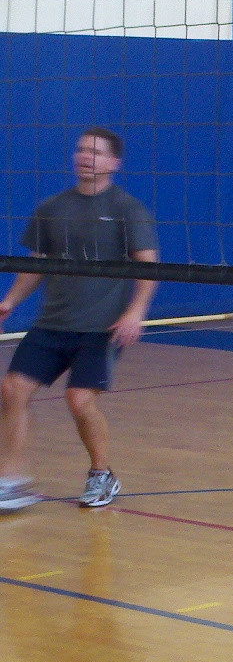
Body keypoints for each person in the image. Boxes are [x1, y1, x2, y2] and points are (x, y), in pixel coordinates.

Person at [0, 128, 160, 512]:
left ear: (113, 163)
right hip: (52, 324)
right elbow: (35, 266)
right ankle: (13, 479)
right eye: (81, 149)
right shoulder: (52, 208)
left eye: (95, 152)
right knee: (12, 390)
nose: (85, 156)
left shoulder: (128, 209)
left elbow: (148, 266)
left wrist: (135, 312)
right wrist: (8, 302)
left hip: (100, 329)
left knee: (79, 400)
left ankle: (101, 473)